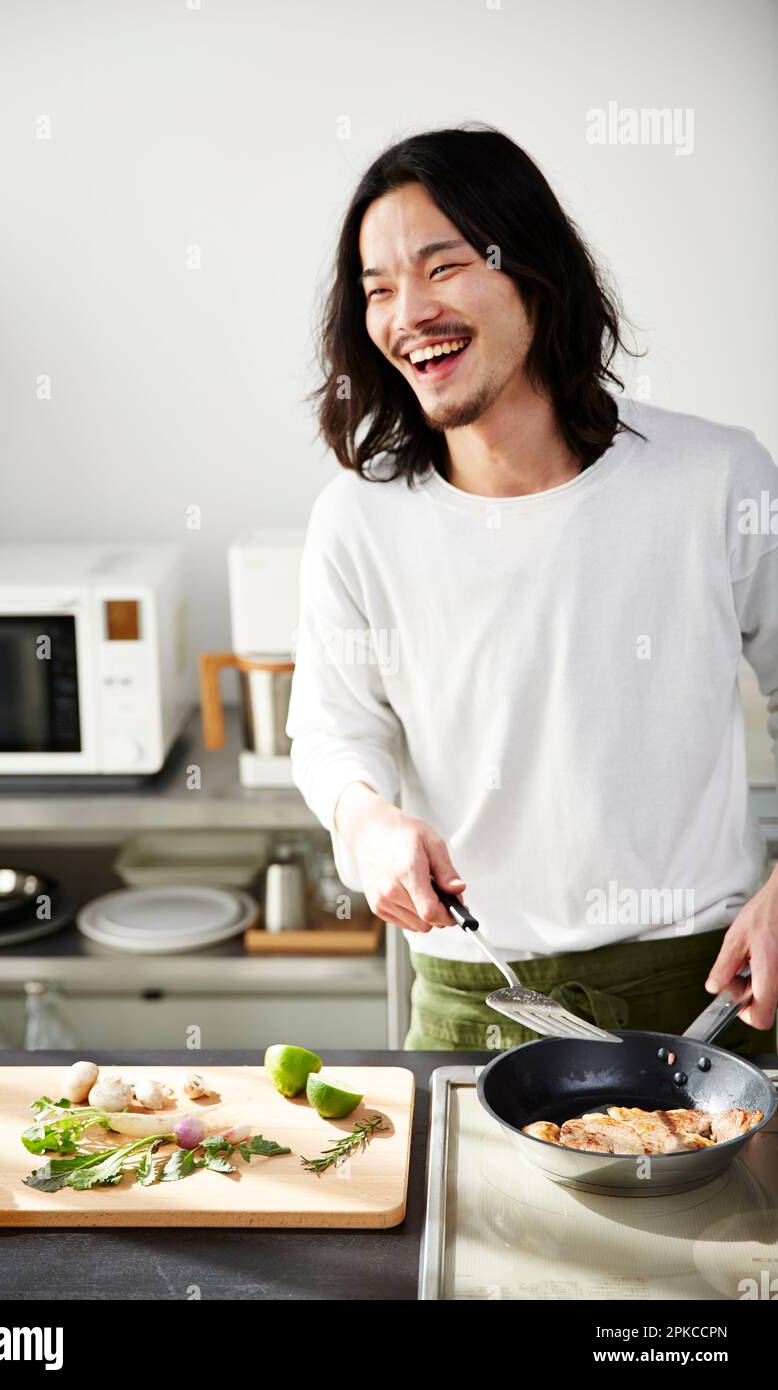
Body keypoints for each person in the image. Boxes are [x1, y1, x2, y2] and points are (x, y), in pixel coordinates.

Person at [285, 124, 778, 1055]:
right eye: (379, 288)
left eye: (443, 267)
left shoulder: (718, 479)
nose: (406, 312)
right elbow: (332, 730)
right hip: (474, 998)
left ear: (535, 274)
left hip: (706, 988)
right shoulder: (359, 519)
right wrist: (368, 819)